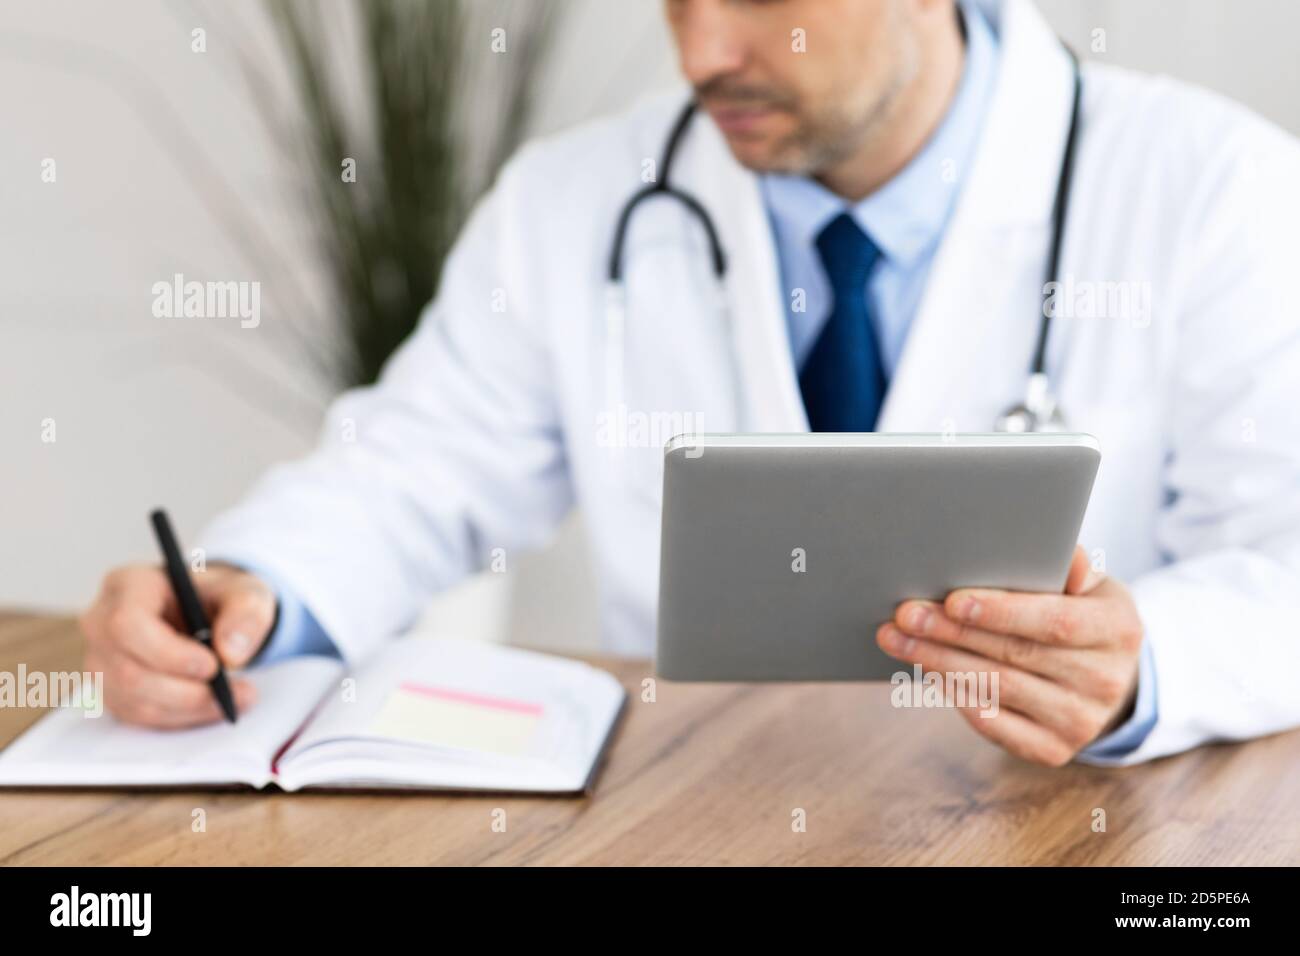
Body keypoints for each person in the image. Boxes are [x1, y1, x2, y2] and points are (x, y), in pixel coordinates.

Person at [81, 0, 1300, 766]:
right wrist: (247, 593)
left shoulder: (1212, 191)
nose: (704, 50)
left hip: (1068, 833)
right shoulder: (573, 202)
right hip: (696, 820)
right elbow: (409, 470)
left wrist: (1142, 667)